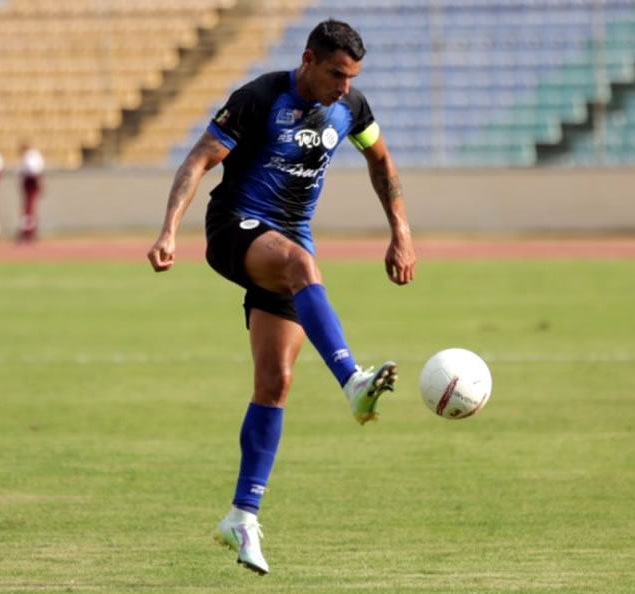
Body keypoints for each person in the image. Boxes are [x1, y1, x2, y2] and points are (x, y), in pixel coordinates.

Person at [145, 19, 416, 576]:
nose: (344, 87)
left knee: (276, 382)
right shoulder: (259, 98)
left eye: (352, 77)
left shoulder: (353, 109)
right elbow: (198, 159)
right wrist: (170, 227)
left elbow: (381, 161)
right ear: (309, 58)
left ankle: (242, 516)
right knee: (301, 265)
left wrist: (401, 232)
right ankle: (352, 381)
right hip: (234, 227)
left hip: (291, 239)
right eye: (337, 74)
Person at [17, 142, 45, 243]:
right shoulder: (29, 157)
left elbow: (34, 172)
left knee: (29, 210)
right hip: (29, 184)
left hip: (31, 184)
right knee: (28, 210)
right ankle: (28, 232)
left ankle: (28, 233)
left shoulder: (31, 157)